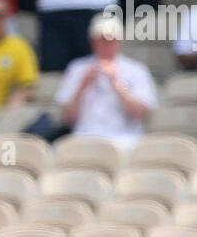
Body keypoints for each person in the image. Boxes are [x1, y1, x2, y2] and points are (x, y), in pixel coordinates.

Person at [55, 13, 156, 148]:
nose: (107, 44)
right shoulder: (77, 68)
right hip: (85, 137)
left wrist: (116, 83)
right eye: (102, 39)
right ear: (93, 41)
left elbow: (141, 114)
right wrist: (83, 86)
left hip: (125, 139)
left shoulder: (137, 69)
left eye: (111, 39)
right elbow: (69, 119)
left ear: (120, 40)